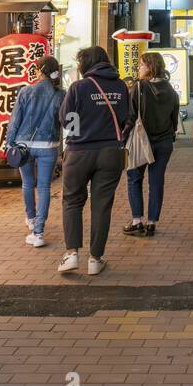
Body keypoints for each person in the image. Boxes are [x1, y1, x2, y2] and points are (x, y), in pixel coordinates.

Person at [57, 45, 129, 277]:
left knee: (72, 201)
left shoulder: (79, 87)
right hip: (111, 152)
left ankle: (72, 255)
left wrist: (83, 130)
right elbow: (128, 118)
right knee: (102, 205)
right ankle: (95, 259)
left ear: (85, 63)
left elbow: (67, 120)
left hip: (80, 152)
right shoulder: (120, 86)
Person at [7, 55, 64, 248]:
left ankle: (31, 219)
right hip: (49, 146)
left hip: (24, 145)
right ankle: (38, 232)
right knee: (45, 187)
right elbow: (68, 122)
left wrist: (9, 143)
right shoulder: (60, 94)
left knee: (27, 184)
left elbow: (15, 121)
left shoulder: (26, 91)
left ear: (39, 71)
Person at [122, 51, 180, 238]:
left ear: (150, 67)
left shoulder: (138, 87)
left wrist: (122, 139)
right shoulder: (170, 90)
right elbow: (174, 120)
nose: (139, 68)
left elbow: (130, 118)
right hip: (164, 143)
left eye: (141, 65)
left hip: (141, 142)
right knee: (156, 182)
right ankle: (152, 223)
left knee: (134, 178)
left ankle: (137, 221)